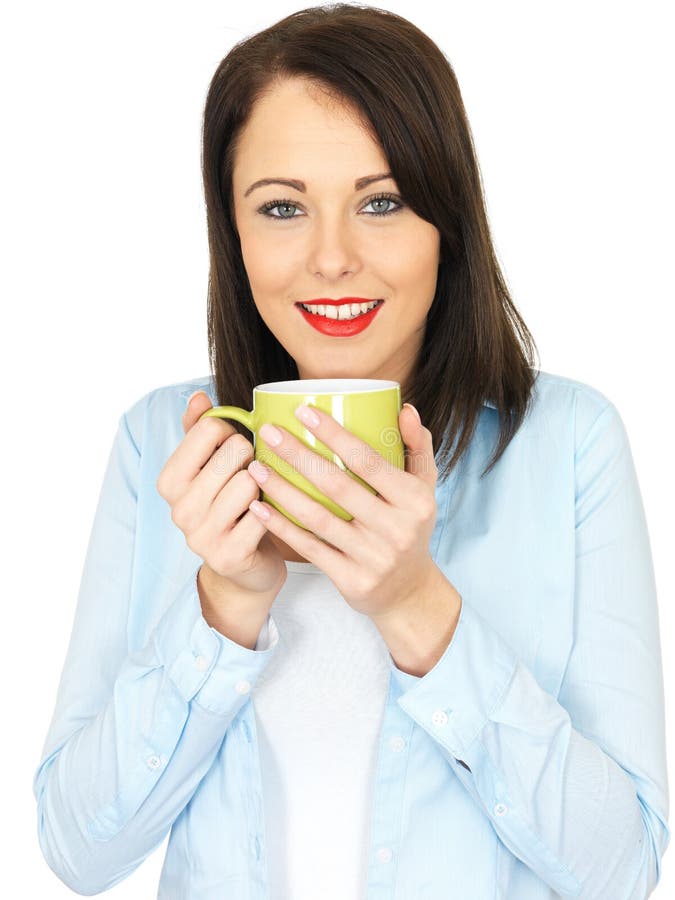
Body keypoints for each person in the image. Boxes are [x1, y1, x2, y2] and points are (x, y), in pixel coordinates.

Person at [32, 4, 670, 898]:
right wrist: (222, 605)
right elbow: (76, 850)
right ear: (235, 232)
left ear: (445, 222)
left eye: (381, 202)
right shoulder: (161, 445)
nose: (330, 259)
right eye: (282, 207)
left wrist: (415, 608)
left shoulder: (566, 444)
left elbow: (621, 870)